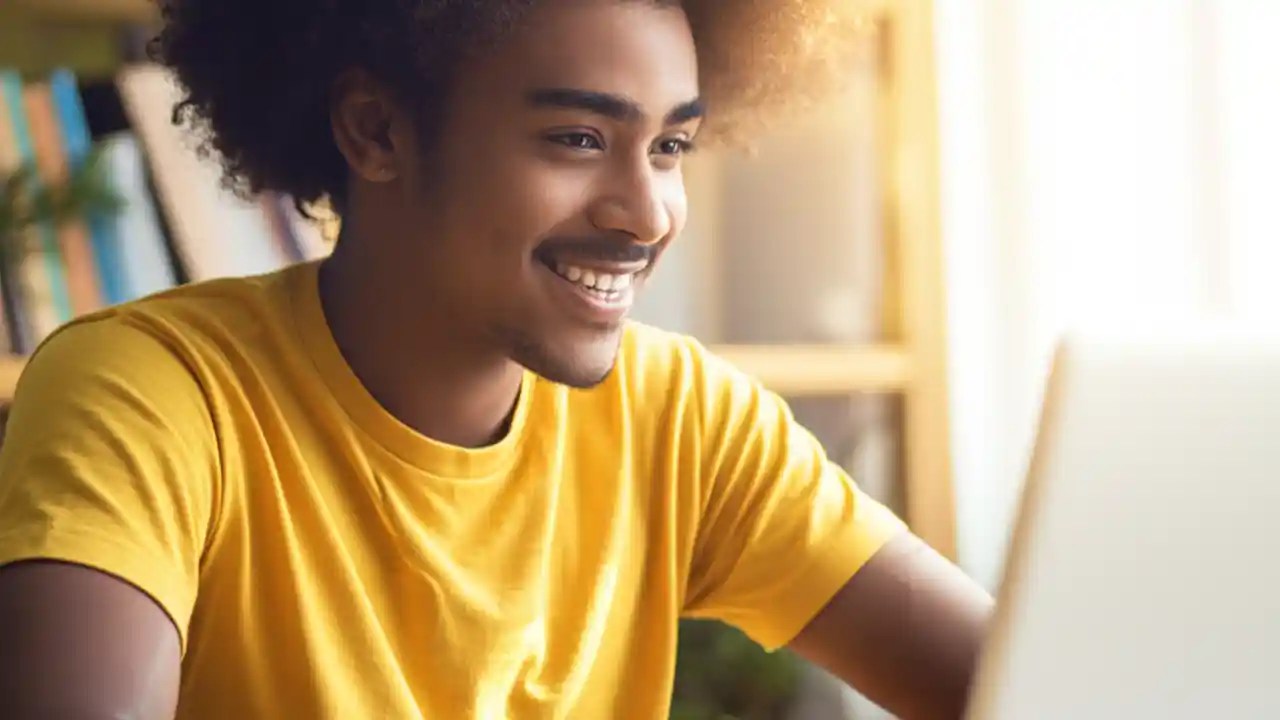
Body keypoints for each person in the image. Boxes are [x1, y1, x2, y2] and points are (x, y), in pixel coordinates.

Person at [0, 0, 992, 718]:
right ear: (374, 130)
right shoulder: (152, 394)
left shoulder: (683, 417)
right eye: (575, 137)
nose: (645, 214)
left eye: (668, 149)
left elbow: (1017, 684)